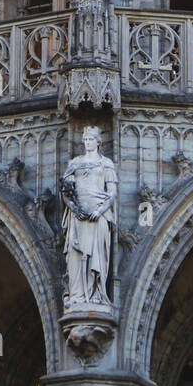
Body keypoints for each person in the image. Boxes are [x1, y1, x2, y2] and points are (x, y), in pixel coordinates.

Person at [61, 127, 117, 307]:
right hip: (77, 217)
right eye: (85, 139)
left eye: (91, 139)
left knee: (97, 255)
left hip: (98, 217)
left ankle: (96, 293)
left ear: (98, 142)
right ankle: (78, 294)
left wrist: (99, 211)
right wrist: (74, 208)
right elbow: (66, 191)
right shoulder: (75, 163)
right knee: (75, 254)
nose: (87, 142)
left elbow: (112, 192)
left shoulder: (106, 163)